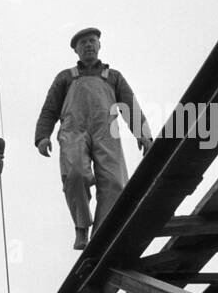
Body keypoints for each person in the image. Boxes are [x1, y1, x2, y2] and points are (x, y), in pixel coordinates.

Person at [34, 27, 154, 250]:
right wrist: (42, 136)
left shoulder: (113, 77)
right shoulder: (66, 77)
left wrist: (144, 135)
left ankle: (101, 233)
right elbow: (50, 109)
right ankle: (82, 226)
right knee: (75, 173)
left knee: (116, 184)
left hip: (106, 131)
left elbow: (130, 107)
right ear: (76, 51)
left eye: (92, 41)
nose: (88, 45)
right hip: (73, 130)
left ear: (99, 45)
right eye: (83, 43)